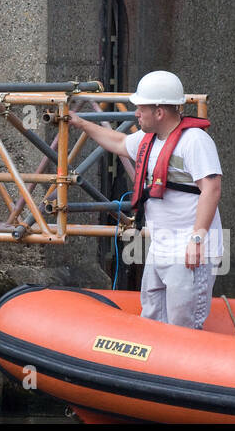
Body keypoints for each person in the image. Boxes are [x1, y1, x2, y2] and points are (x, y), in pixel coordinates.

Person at [69, 69, 223, 329]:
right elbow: (118, 142)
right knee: (153, 319)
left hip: (188, 248)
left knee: (183, 327)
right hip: (161, 247)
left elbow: (212, 189)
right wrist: (81, 123)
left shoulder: (195, 141)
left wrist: (198, 238)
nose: (137, 114)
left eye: (141, 109)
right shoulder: (147, 140)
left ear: (159, 112)